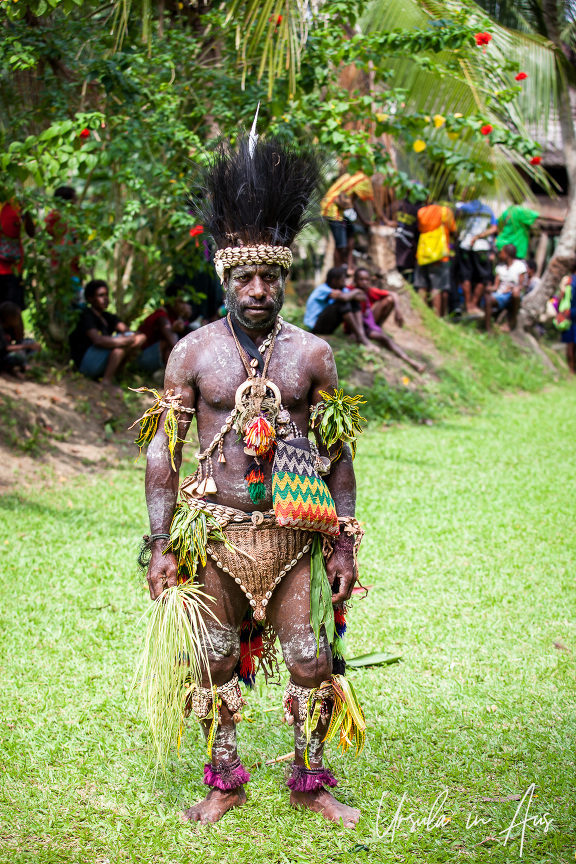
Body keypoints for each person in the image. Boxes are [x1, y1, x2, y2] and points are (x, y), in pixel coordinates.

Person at [139, 133, 366, 827]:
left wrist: (344, 541)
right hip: (214, 536)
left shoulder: (313, 355)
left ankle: (310, 779)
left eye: (270, 278)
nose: (259, 291)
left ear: (283, 278)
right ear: (226, 280)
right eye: (245, 280)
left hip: (295, 535)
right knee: (211, 665)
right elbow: (162, 454)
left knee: (309, 660)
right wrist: (159, 543)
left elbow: (339, 455)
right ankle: (225, 780)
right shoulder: (193, 353)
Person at [69, 279, 146, 387]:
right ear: (90, 299)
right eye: (101, 295)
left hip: (100, 359)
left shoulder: (108, 317)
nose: (105, 298)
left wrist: (129, 338)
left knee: (139, 338)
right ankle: (106, 382)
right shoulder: (86, 316)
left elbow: (127, 331)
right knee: (120, 346)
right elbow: (98, 340)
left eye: (106, 295)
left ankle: (115, 375)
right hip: (86, 362)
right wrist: (124, 340)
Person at [351, 267, 425, 373]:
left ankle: (377, 329)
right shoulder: (350, 290)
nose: (364, 282)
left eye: (366, 279)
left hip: (367, 323)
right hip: (356, 326)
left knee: (389, 299)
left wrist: (397, 310)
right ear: (355, 280)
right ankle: (410, 361)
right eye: (361, 279)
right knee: (384, 338)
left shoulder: (370, 291)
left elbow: (393, 294)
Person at [303, 265, 375, 348]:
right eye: (343, 280)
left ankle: (361, 334)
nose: (345, 282)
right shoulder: (323, 289)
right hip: (316, 326)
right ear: (334, 281)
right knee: (343, 303)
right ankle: (362, 338)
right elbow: (344, 298)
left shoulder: (341, 289)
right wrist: (356, 291)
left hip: (328, 326)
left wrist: (355, 291)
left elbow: (362, 297)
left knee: (353, 301)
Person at [320, 170, 375, 274]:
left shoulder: (357, 177)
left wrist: (364, 220)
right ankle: (338, 271)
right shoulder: (362, 180)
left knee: (351, 232)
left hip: (338, 210)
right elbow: (355, 201)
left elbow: (353, 202)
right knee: (340, 245)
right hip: (332, 209)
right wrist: (365, 220)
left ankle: (349, 266)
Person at [413, 202, 456, 317]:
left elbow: (420, 228)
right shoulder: (445, 211)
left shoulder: (421, 211)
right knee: (437, 287)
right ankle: (436, 317)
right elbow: (453, 229)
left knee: (422, 286)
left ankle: (422, 315)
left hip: (422, 253)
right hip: (440, 256)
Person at [455, 199, 497, 315]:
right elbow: (494, 228)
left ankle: (468, 306)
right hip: (481, 247)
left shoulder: (463, 208)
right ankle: (473, 305)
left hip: (465, 245)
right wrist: (479, 236)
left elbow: (456, 224)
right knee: (483, 278)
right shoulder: (488, 209)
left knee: (465, 277)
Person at [45, 186, 83, 304]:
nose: (76, 203)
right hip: (60, 268)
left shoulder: (71, 219)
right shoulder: (55, 217)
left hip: (72, 268)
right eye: (74, 199)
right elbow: (46, 238)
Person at [136, 296, 192, 373]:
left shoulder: (175, 318)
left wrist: (184, 318)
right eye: (181, 302)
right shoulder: (161, 316)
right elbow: (174, 343)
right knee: (169, 344)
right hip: (141, 359)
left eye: (186, 303)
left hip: (152, 358)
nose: (185, 306)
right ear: (171, 302)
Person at [0, 199, 35, 309]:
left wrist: (25, 210)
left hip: (13, 270)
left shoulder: (16, 205)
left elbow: (31, 232)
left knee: (14, 310)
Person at [485, 244, 527, 332]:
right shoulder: (500, 267)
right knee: (488, 298)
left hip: (513, 294)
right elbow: (496, 286)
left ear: (507, 254)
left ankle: (513, 320)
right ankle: (488, 327)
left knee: (515, 292)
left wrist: (512, 288)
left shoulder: (519, 265)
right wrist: (487, 288)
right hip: (501, 294)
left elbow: (521, 285)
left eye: (501, 252)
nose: (499, 254)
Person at [0, 301, 41, 375]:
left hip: (9, 352)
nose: (19, 320)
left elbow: (19, 339)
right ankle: (21, 367)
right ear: (9, 318)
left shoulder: (10, 327)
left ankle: (26, 365)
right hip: (4, 357)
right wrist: (28, 346)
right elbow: (6, 348)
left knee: (29, 342)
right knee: (16, 356)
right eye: (17, 317)